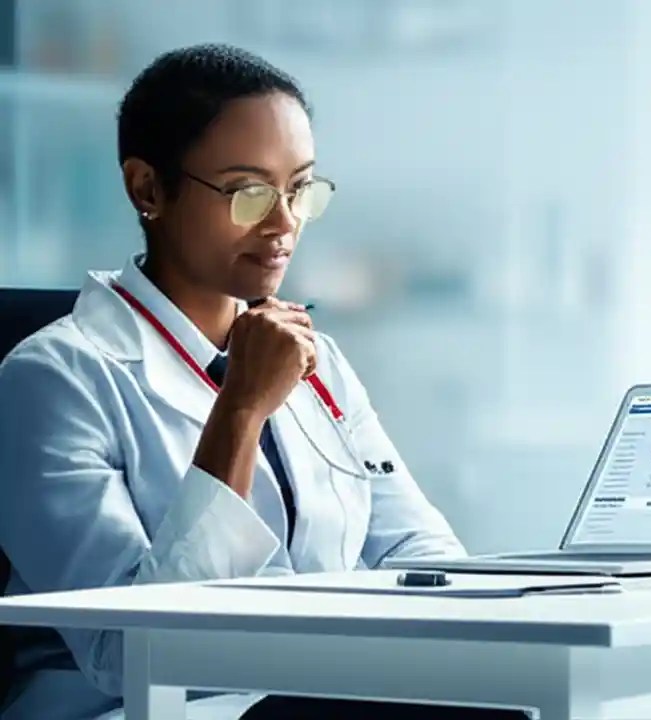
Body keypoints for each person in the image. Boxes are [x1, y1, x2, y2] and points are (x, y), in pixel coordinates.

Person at [0, 44, 525, 720]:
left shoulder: (316, 357)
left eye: (300, 189)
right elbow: (128, 652)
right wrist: (242, 408)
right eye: (248, 192)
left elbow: (415, 548)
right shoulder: (50, 380)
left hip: (309, 693)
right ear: (148, 189)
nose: (284, 225)